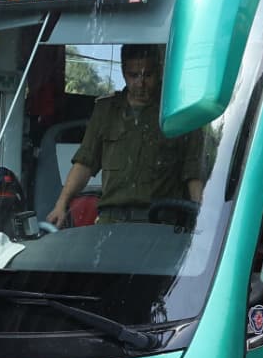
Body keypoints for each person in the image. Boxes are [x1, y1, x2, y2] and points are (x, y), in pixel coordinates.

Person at [47, 44, 210, 227]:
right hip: (112, 222)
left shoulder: (178, 113)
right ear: (123, 72)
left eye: (147, 75)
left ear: (160, 71)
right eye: (134, 75)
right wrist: (61, 204)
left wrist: (201, 216)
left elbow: (193, 171)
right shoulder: (106, 111)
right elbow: (85, 163)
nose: (140, 83)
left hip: (160, 222)